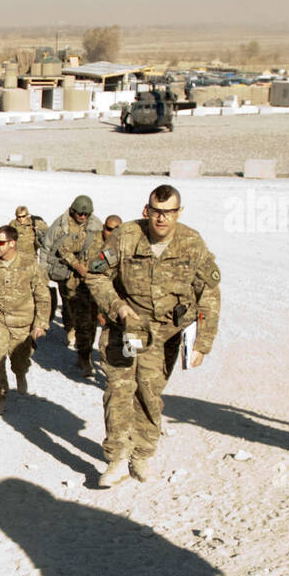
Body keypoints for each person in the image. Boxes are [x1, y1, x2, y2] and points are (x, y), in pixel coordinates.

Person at [85, 184, 220, 487]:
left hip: (163, 336)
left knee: (148, 394)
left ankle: (142, 454)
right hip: (126, 328)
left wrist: (202, 343)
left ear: (178, 212)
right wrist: (116, 305)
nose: (161, 219)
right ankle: (117, 458)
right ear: (147, 210)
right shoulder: (127, 236)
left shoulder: (191, 243)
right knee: (119, 391)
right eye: (156, 212)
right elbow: (96, 274)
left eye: (168, 212)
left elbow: (208, 292)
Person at [0, 225, 51, 416]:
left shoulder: (29, 264)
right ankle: (0, 397)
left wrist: (40, 323)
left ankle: (20, 372)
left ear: (12, 244)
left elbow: (43, 295)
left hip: (23, 323)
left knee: (19, 360)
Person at [52, 196, 107, 376]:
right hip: (81, 288)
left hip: (105, 291)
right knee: (85, 325)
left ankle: (109, 363)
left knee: (109, 327)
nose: (83, 217)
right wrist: (76, 265)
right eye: (80, 213)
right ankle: (84, 357)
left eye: (86, 214)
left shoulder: (120, 244)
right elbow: (62, 248)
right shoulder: (89, 236)